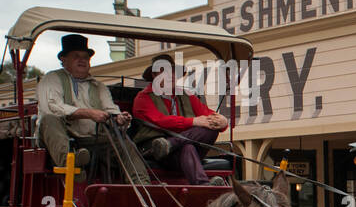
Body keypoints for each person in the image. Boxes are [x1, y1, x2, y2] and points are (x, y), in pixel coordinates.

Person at [36, 34, 143, 178]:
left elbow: (110, 109)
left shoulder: (98, 86)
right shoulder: (51, 79)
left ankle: (142, 185)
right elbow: (52, 107)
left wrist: (119, 118)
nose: (82, 60)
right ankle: (71, 166)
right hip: (61, 138)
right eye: (76, 56)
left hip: (92, 139)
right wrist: (88, 113)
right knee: (49, 119)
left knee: (126, 145)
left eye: (85, 57)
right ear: (64, 60)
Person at [132, 53, 229, 185]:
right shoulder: (143, 98)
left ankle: (172, 143)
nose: (170, 75)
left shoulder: (186, 95)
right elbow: (161, 121)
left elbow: (207, 114)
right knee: (187, 147)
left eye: (173, 72)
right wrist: (194, 121)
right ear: (154, 75)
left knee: (211, 128)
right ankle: (203, 185)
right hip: (156, 150)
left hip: (177, 147)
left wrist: (223, 121)